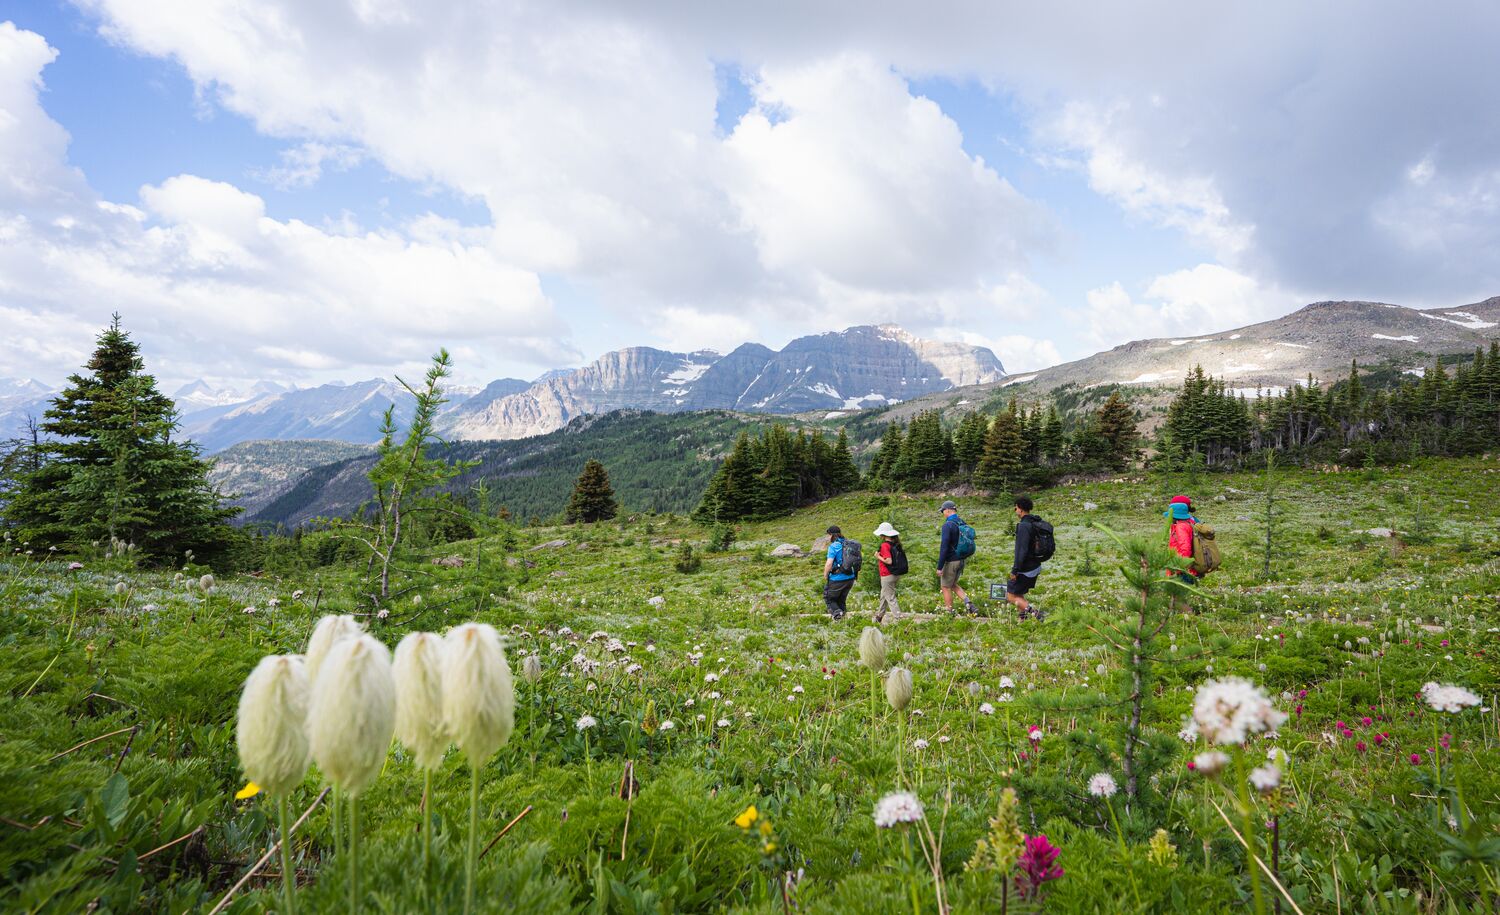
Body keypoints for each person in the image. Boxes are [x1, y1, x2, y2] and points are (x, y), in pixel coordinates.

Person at [1006, 495, 1047, 621]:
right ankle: (1022, 619)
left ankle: (1036, 614)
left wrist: (1015, 570)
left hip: (1026, 567)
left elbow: (1021, 551)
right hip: (1035, 564)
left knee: (1011, 596)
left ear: (1020, 509)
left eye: (1016, 508)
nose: (1015, 510)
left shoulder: (1024, 526)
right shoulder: (1034, 522)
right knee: (1019, 593)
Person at [936, 500, 977, 614]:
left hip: (951, 561)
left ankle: (949, 612)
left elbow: (944, 547)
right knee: (952, 584)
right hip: (961, 559)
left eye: (943, 511)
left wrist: (940, 567)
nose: (943, 513)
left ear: (948, 510)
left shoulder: (947, 525)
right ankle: (968, 603)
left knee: (945, 586)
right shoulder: (961, 522)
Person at [1165, 495, 1198, 610]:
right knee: (1177, 597)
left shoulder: (1181, 527)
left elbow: (1185, 549)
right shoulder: (1189, 523)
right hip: (1186, 568)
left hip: (1182, 569)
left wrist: (1178, 568)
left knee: (1178, 597)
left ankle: (1190, 620)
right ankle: (1180, 619)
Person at [822, 525, 857, 620]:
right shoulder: (849, 544)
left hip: (837, 578)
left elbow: (829, 563)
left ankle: (838, 616)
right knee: (841, 600)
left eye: (828, 535)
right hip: (850, 577)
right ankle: (844, 619)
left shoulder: (834, 546)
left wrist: (825, 574)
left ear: (831, 535)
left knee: (829, 598)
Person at [873, 522, 905, 623]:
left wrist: (878, 557)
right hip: (895, 574)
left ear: (883, 534)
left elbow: (889, 561)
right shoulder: (895, 544)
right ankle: (879, 616)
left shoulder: (885, 545)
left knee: (890, 597)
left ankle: (898, 619)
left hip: (887, 574)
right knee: (884, 595)